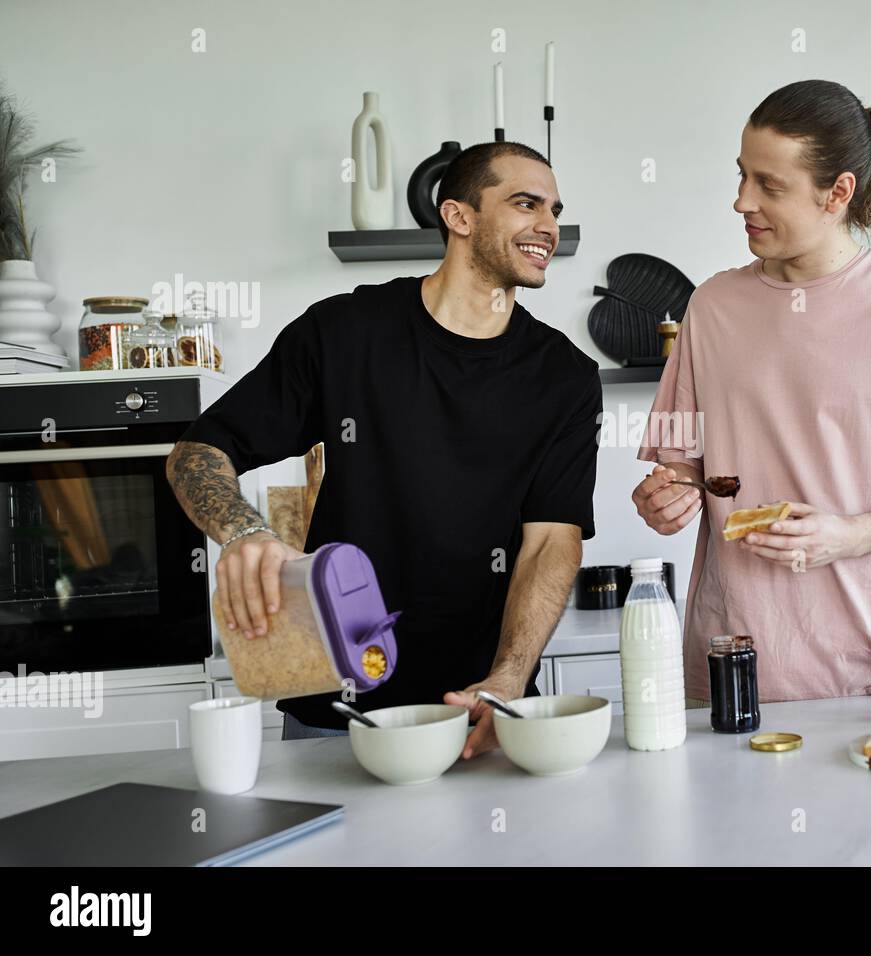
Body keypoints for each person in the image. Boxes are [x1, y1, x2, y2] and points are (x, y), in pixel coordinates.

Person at [168, 142, 601, 752]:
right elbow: (197, 452)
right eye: (526, 204)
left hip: (477, 710)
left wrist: (509, 678)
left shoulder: (565, 377)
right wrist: (246, 533)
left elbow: (551, 540)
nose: (548, 226)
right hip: (333, 712)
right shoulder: (343, 331)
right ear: (458, 216)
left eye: (554, 210)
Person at [633, 80, 871, 705]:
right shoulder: (711, 307)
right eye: (741, 177)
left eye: (769, 185)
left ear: (837, 193)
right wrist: (664, 498)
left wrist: (849, 535)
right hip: (733, 665)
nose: (742, 202)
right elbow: (678, 469)